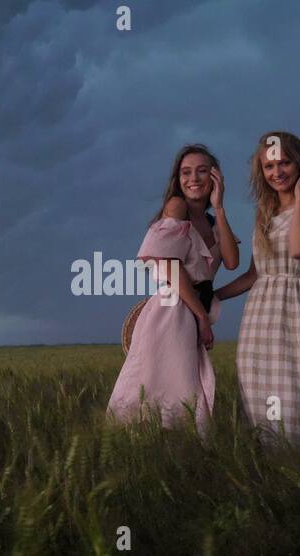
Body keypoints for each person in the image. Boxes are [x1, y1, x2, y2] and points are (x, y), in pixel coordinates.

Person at [107, 144, 239, 435]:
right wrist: (203, 317)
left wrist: (219, 207)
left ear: (215, 178)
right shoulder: (176, 207)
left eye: (202, 171)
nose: (193, 178)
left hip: (191, 311)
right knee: (163, 388)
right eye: (186, 172)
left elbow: (231, 261)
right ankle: (139, 451)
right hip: (171, 309)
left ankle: (179, 454)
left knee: (183, 389)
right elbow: (170, 266)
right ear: (177, 179)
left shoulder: (213, 221)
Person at [214, 131, 300, 447]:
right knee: (257, 384)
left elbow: (298, 249)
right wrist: (214, 295)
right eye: (269, 167)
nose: (277, 172)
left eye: (285, 163)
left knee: (296, 383)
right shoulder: (263, 212)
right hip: (260, 313)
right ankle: (273, 459)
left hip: (297, 305)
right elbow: (255, 274)